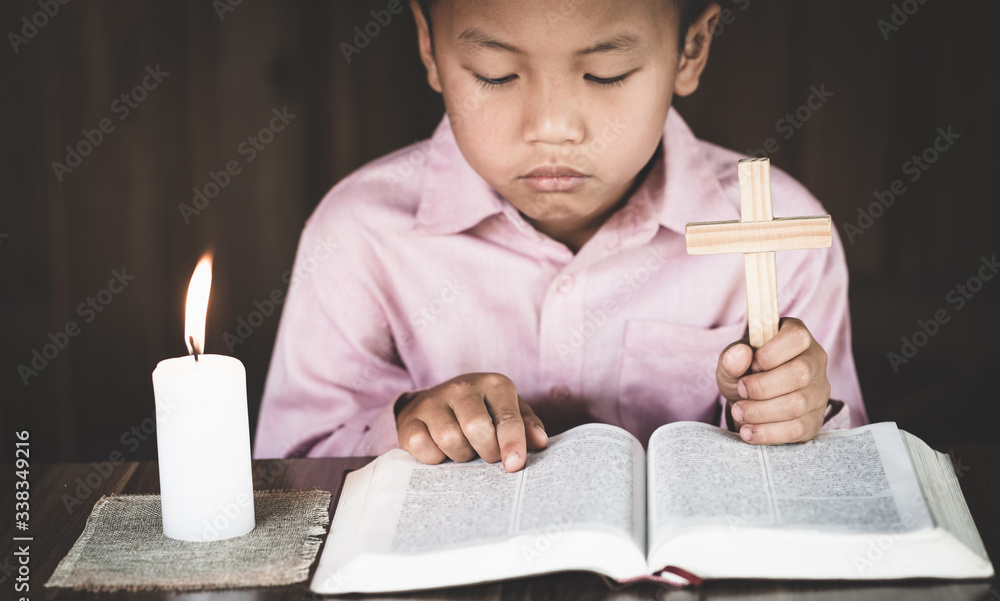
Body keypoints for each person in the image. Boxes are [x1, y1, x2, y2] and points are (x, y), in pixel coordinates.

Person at [253, 0, 868, 471]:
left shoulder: (780, 231)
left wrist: (792, 410)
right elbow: (291, 467)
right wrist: (409, 423)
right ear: (429, 46)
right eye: (494, 74)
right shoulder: (360, 233)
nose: (551, 128)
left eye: (606, 74)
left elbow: (841, 462)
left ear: (691, 50)